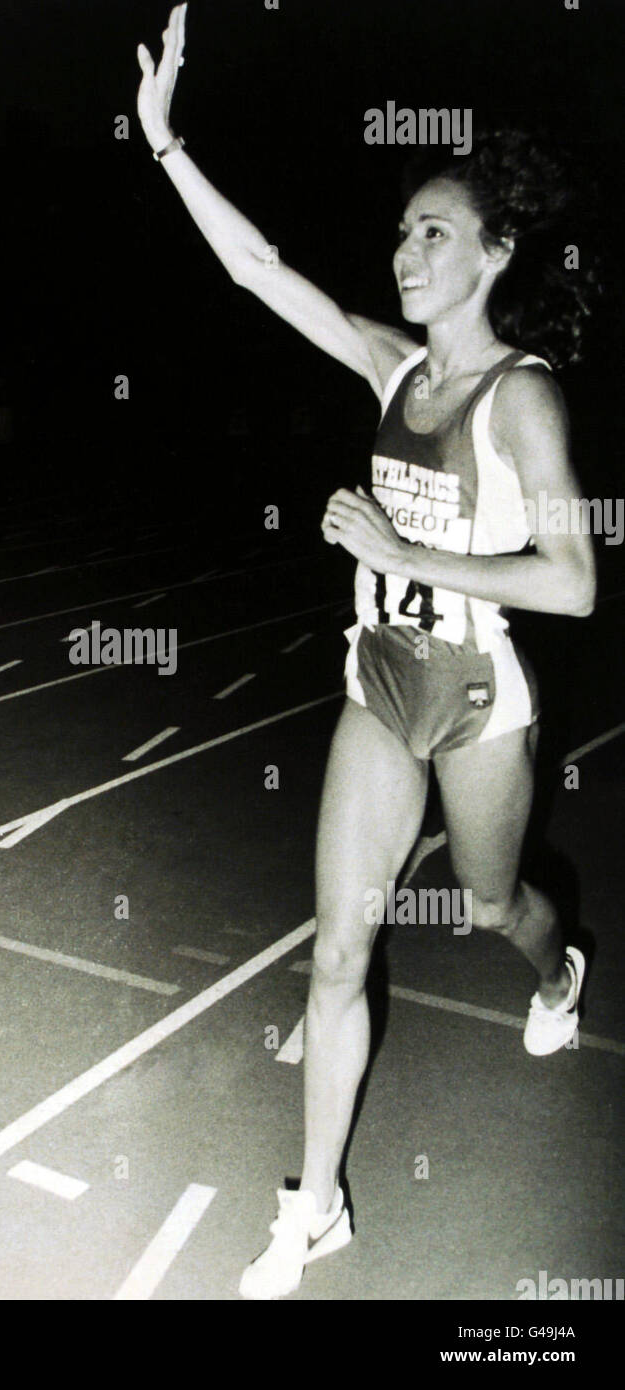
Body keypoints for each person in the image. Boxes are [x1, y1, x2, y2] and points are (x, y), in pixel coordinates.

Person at [137, 4, 598, 1300]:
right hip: (383, 684)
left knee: (497, 902)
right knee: (339, 946)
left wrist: (406, 554)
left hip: (480, 697)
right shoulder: (391, 369)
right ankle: (317, 1203)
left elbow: (569, 582)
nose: (406, 249)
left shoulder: (527, 395)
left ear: (495, 254)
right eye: (402, 230)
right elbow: (258, 272)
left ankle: (558, 963)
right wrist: (165, 144)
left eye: (434, 232)